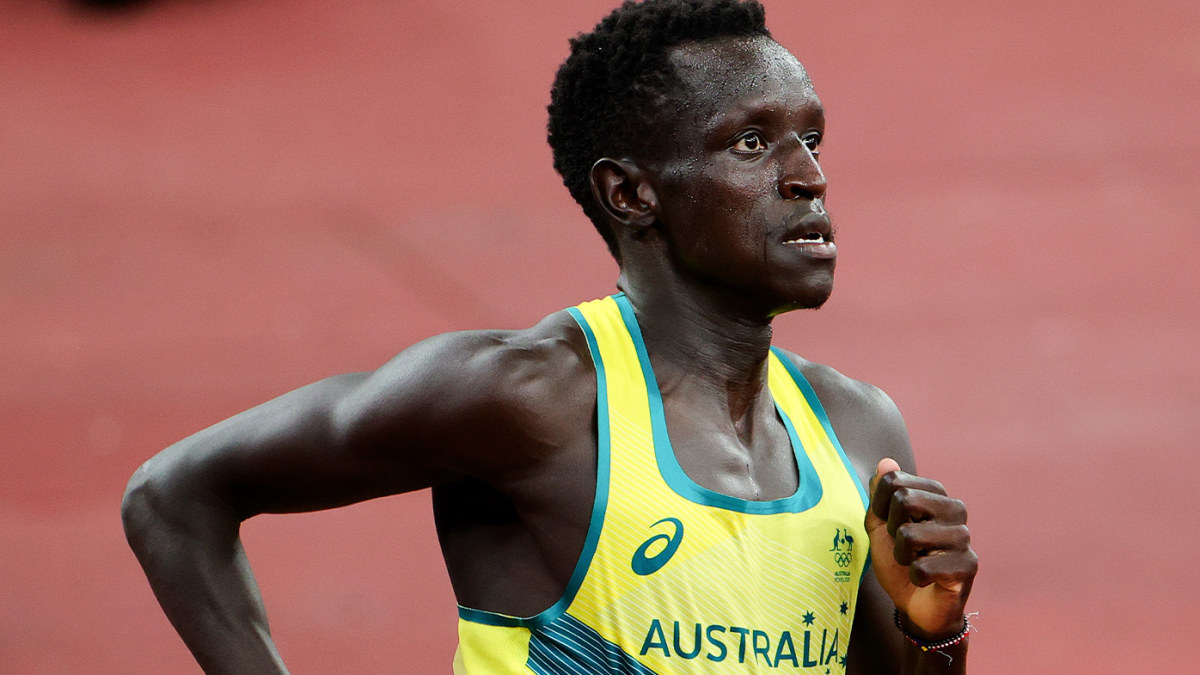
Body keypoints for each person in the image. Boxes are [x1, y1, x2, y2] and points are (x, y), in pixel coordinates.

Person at [121, 1, 977, 672]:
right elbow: (173, 494)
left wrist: (933, 629)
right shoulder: (534, 400)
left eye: (813, 139)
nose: (810, 178)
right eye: (753, 143)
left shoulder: (858, 434)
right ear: (631, 194)